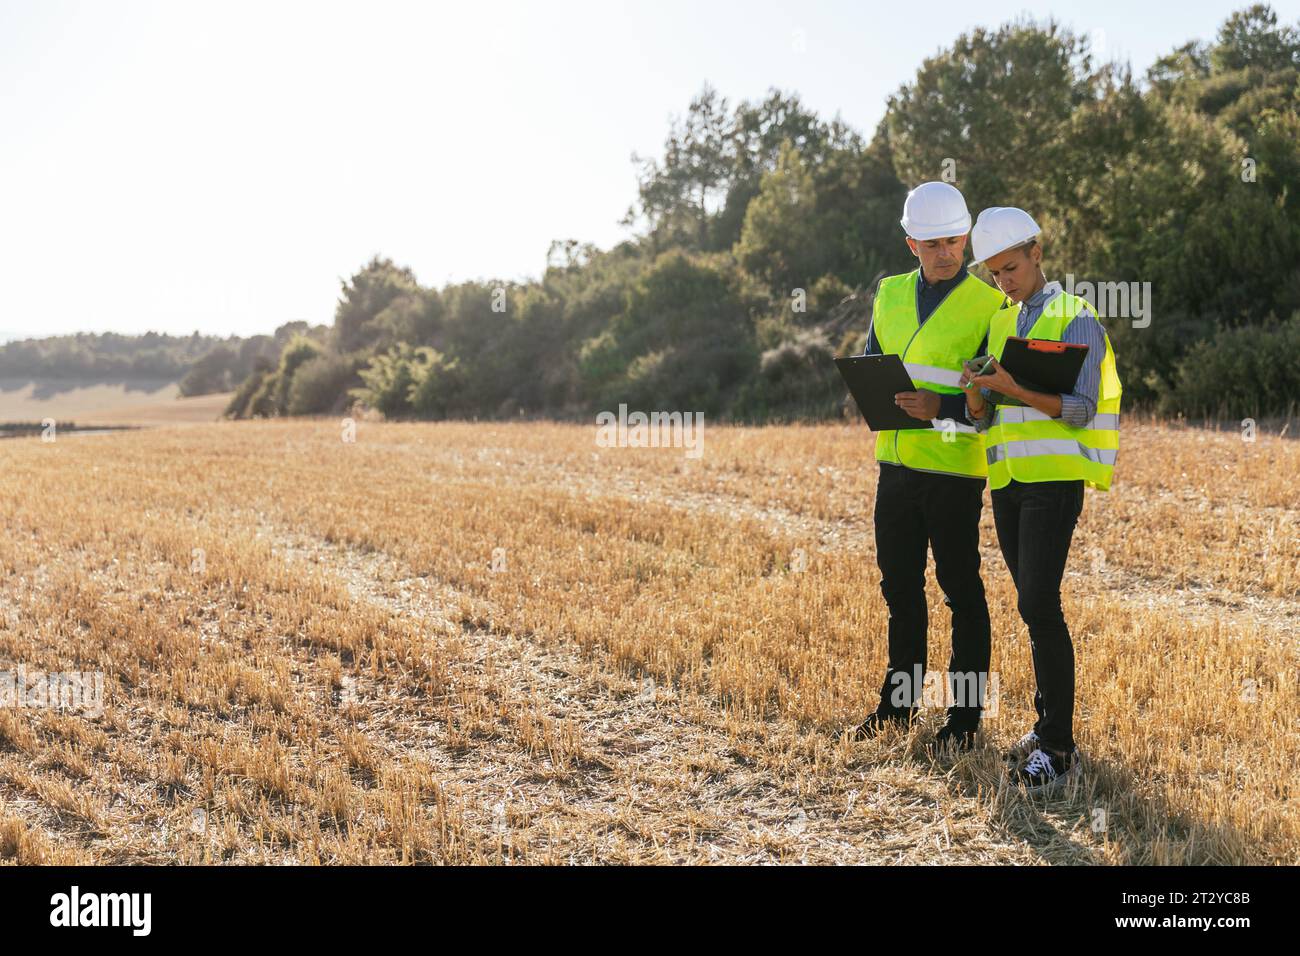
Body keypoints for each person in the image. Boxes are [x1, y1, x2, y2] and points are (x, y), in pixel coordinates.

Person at [840, 182, 1009, 751]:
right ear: (911, 243)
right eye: (933, 242)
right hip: (895, 466)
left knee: (961, 592)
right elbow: (874, 362)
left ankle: (964, 721)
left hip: (955, 471)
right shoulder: (886, 294)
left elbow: (999, 402)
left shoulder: (991, 305)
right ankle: (898, 707)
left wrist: (946, 408)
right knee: (900, 590)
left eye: (955, 241)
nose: (946, 252)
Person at [960, 206, 1122, 793]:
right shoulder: (1001, 324)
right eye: (995, 274)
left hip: (1053, 482)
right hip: (1007, 485)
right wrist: (978, 398)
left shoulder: (1074, 316)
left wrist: (1009, 386)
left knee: (1038, 602)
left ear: (1036, 253)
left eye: (1011, 268)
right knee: (1032, 607)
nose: (1005, 281)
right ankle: (1047, 725)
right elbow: (986, 421)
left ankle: (1057, 747)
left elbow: (1079, 410)